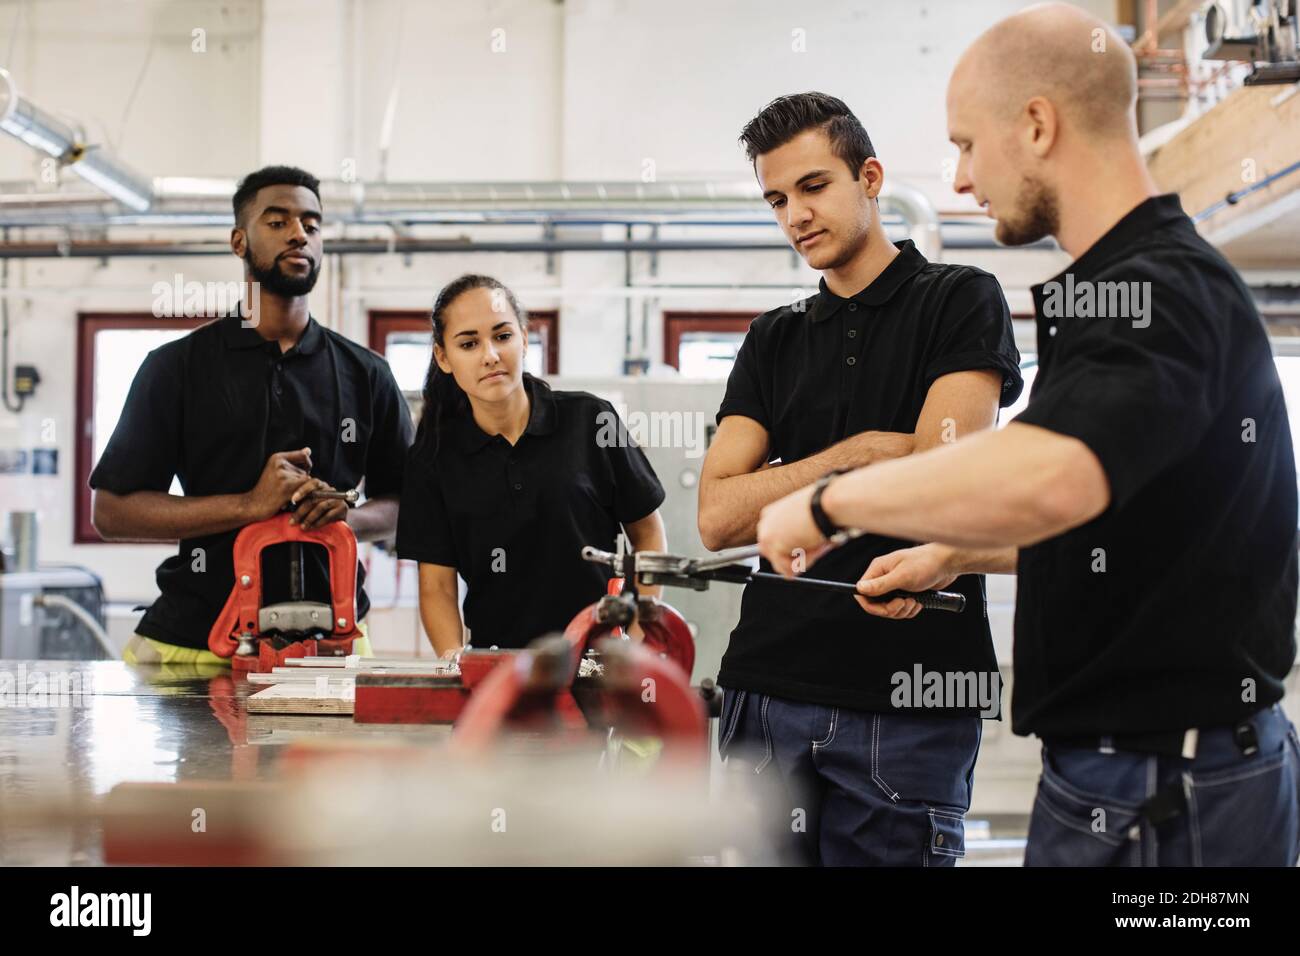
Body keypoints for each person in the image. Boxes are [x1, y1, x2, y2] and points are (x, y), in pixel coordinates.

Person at [755, 3, 1300, 867]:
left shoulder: (1153, 286)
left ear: (1037, 124)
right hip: (1134, 771)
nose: (962, 181)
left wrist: (827, 502)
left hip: (1166, 785)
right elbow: (1131, 526)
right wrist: (955, 557)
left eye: (968, 145)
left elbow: (1054, 476)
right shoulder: (1115, 288)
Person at [698, 92, 1023, 865]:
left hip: (910, 696)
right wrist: (857, 455)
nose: (795, 215)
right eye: (777, 199)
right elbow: (716, 516)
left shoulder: (959, 299)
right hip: (765, 688)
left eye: (814, 187)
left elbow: (947, 480)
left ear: (869, 177)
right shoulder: (772, 339)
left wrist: (779, 480)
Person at [91, 165, 413, 666]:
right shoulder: (176, 368)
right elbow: (112, 512)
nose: (299, 233)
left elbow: (408, 504)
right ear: (239, 241)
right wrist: (248, 505)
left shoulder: (367, 374)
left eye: (312, 223)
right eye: (278, 220)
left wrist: (348, 517)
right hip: (194, 641)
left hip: (335, 642)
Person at [396, 274, 667, 656]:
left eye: (502, 336)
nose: (490, 354)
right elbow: (436, 585)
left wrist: (639, 636)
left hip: (598, 661)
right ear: (443, 357)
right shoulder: (433, 456)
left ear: (524, 338)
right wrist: (454, 663)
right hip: (496, 666)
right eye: (469, 343)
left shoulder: (591, 420)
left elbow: (649, 535)